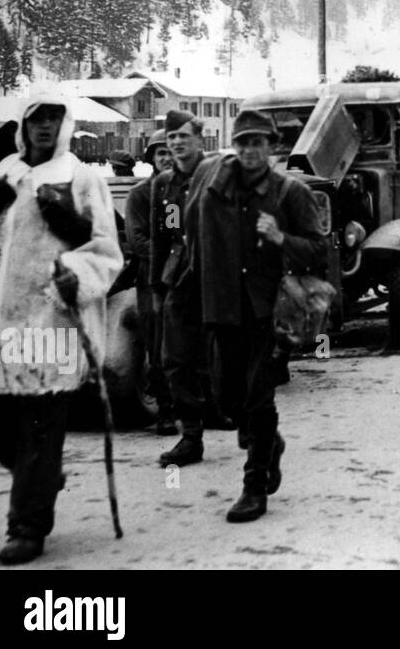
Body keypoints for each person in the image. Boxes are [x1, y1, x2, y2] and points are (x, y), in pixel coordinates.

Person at [0, 96, 124, 564]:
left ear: (66, 124)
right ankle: (38, 474)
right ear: (24, 123)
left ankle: (28, 526)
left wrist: (74, 273)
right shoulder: (5, 174)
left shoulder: (81, 178)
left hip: (53, 321)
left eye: (54, 118)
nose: (45, 126)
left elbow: (105, 249)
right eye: (37, 117)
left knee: (41, 422)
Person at [182, 109, 326, 522]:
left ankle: (254, 485)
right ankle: (270, 444)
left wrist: (280, 238)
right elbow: (192, 232)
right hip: (222, 306)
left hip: (269, 312)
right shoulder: (213, 183)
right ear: (233, 144)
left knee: (258, 398)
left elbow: (319, 248)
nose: (249, 150)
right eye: (242, 142)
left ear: (273, 147)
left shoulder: (288, 193)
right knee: (228, 398)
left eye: (257, 143)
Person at [151, 110, 212, 468]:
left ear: (199, 140)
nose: (175, 143)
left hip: (215, 276)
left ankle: (249, 426)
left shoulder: (219, 175)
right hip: (179, 277)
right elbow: (166, 235)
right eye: (171, 138)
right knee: (174, 358)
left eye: (183, 136)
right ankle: (191, 437)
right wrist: (158, 285)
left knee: (222, 356)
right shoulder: (165, 184)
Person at [126, 132, 176, 435]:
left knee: (186, 345)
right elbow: (137, 239)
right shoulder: (141, 195)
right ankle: (166, 412)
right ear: (151, 159)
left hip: (179, 278)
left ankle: (200, 408)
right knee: (157, 347)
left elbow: (179, 235)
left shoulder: (177, 193)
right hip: (152, 281)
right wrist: (166, 265)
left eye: (171, 152)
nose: (167, 158)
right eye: (161, 154)